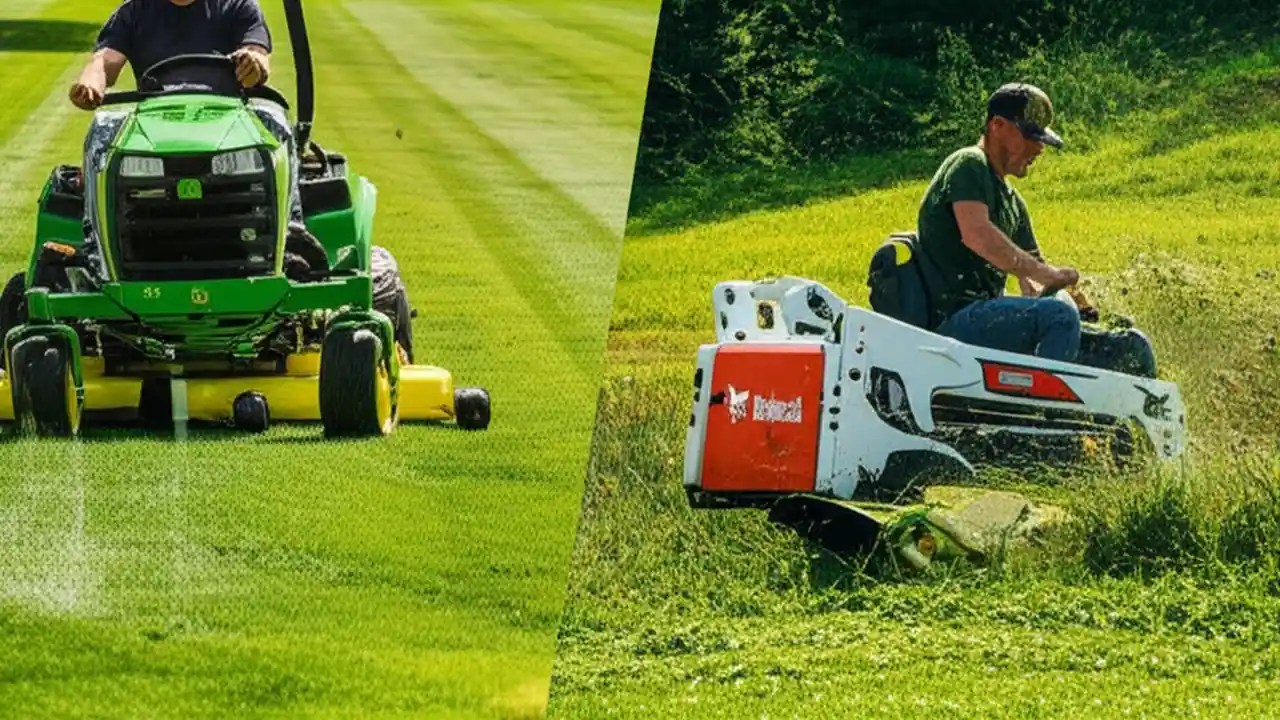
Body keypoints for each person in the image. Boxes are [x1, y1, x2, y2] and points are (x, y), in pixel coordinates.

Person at [914, 83, 1084, 363]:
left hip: (990, 318)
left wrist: (1079, 302)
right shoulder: (968, 165)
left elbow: (1034, 275)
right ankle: (1045, 406)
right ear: (997, 125)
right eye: (1031, 136)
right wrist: (1048, 276)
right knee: (1059, 317)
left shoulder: (1013, 202)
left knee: (1125, 344)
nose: (1039, 148)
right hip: (952, 323)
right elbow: (977, 235)